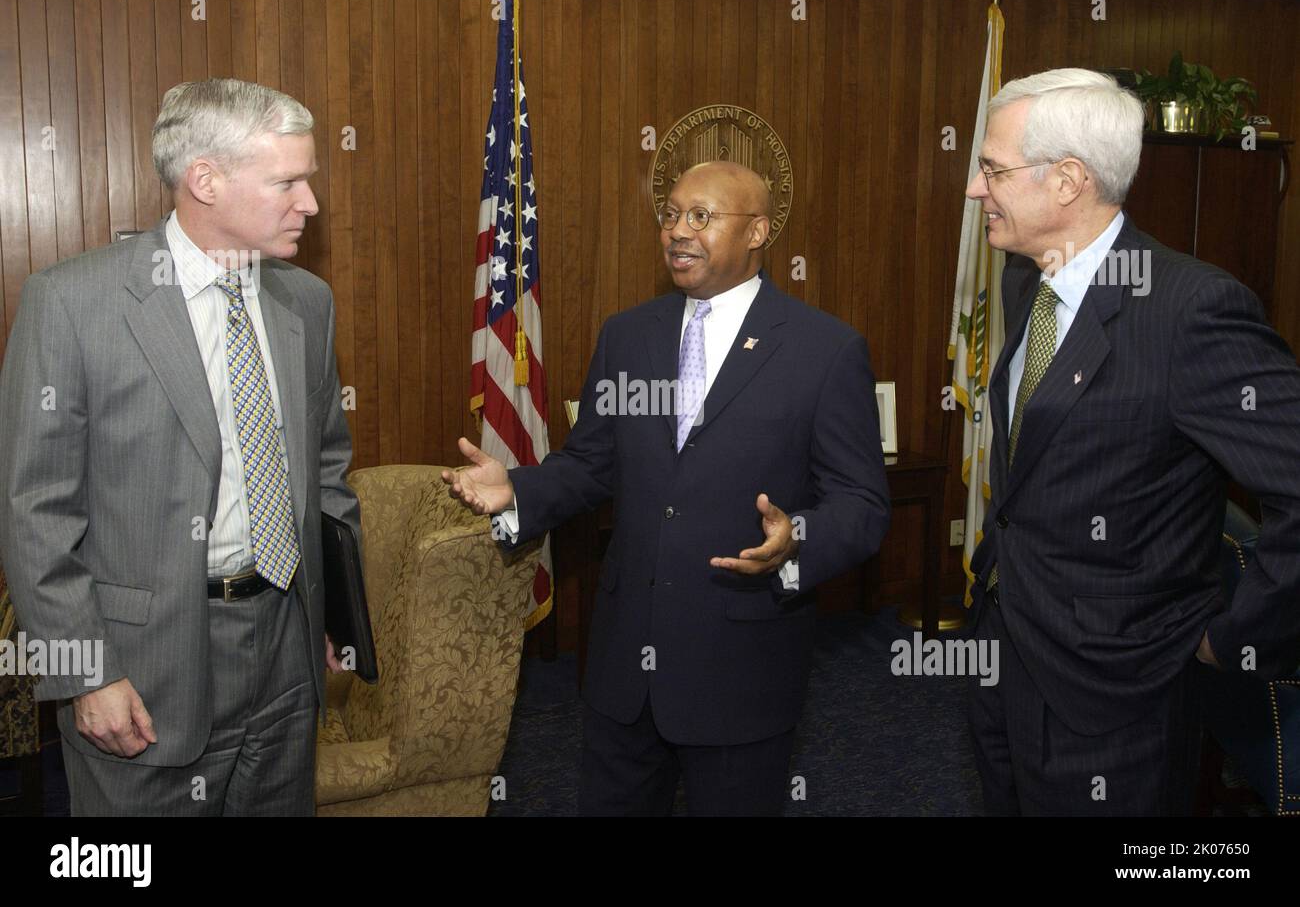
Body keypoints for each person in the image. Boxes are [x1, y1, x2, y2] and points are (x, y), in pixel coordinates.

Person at [444, 160, 890, 815]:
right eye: (671, 214)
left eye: (701, 217)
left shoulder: (825, 350)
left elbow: (862, 504)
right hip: (625, 664)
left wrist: (797, 538)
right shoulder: (628, 336)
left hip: (741, 666)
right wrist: (518, 489)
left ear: (759, 231)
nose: (678, 231)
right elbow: (593, 463)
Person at [0, 78, 361, 816]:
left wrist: (333, 614)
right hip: (143, 670)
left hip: (286, 651)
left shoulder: (306, 303)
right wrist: (85, 672)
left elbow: (326, 469)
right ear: (206, 179)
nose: (310, 204)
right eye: (288, 181)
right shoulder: (71, 304)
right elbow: (34, 508)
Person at [965, 68, 1300, 815]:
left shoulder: (1191, 312)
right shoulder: (1027, 283)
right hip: (1006, 655)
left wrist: (1234, 640)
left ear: (1068, 182)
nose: (974, 190)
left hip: (1117, 695)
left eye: (992, 169)